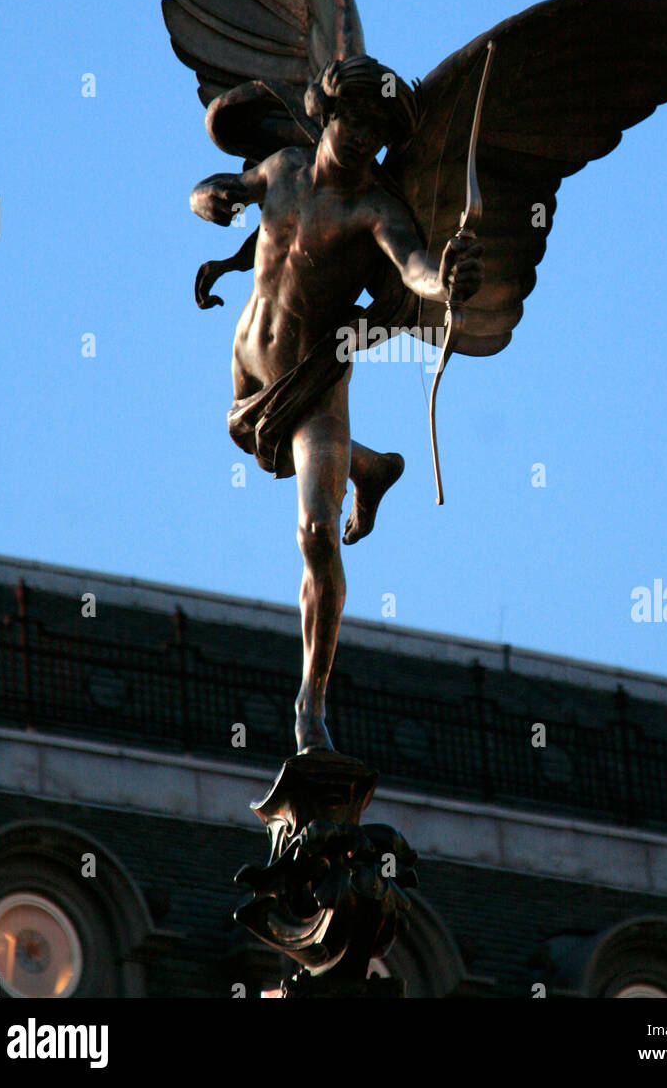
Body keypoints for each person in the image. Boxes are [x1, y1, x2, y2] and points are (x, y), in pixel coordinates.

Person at [189, 56, 484, 752]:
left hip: (317, 382)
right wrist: (210, 199)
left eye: (377, 131)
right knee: (248, 441)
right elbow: (225, 187)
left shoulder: (375, 209)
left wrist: (447, 277)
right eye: (354, 121)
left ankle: (310, 707)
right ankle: (372, 467)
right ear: (328, 113)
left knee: (316, 537)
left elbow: (414, 267)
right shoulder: (286, 167)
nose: (362, 140)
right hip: (249, 364)